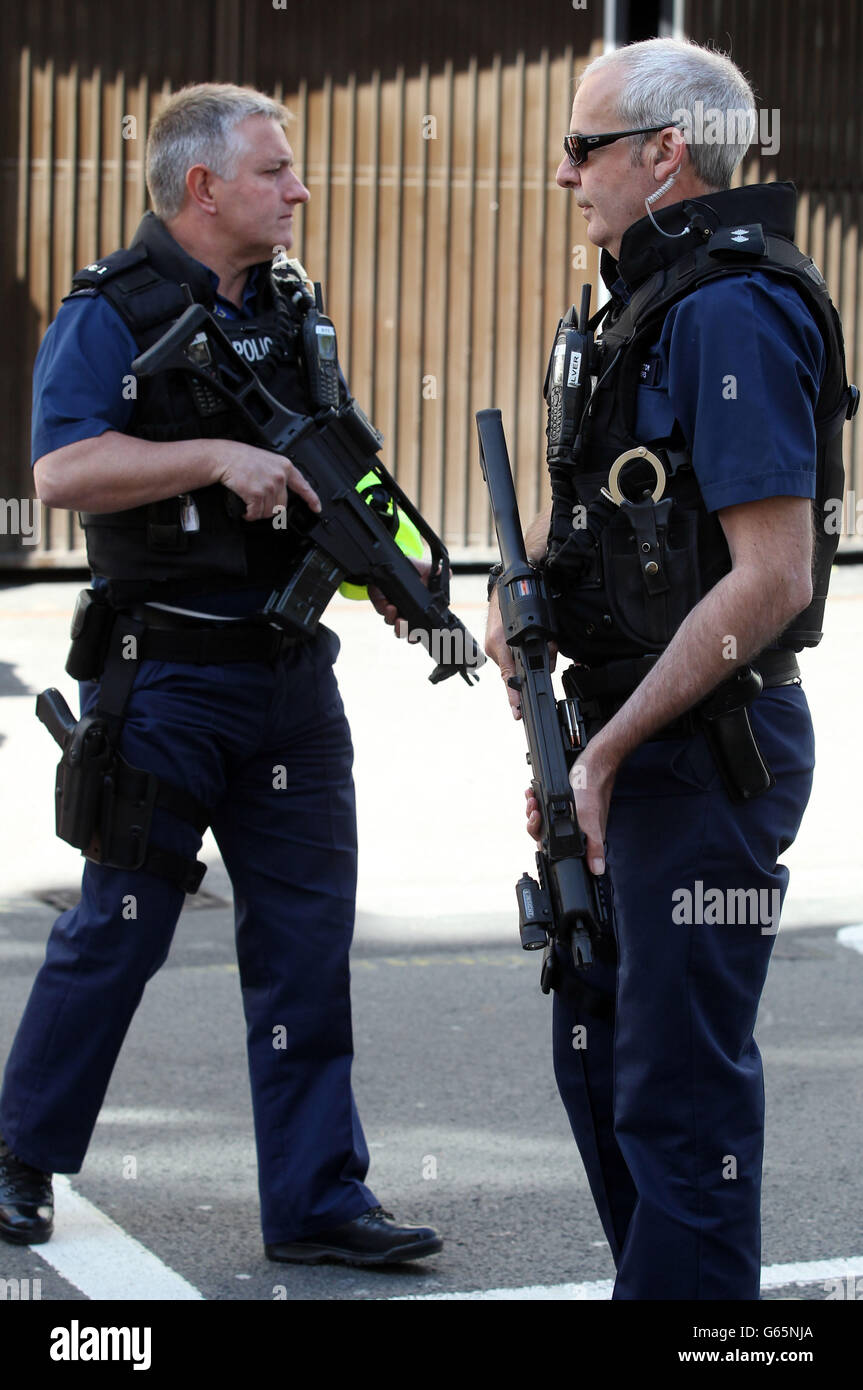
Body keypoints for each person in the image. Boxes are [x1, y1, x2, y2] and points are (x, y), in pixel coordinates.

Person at [0, 83, 442, 1268]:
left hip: (291, 679)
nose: (299, 189)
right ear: (203, 188)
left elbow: (338, 478)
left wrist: (402, 586)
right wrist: (210, 456)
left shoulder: (293, 311)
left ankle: (317, 1200)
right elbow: (60, 469)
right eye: (275, 171)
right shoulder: (109, 310)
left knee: (303, 943)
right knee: (122, 926)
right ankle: (18, 1155)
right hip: (166, 678)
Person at [485, 37, 854, 1299]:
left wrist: (605, 749)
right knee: (599, 1064)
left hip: (699, 756)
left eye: (581, 148)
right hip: (628, 746)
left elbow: (771, 578)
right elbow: (609, 519)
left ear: (664, 153)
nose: (560, 173)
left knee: (677, 1100)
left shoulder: (728, 306)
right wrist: (518, 586)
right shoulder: (641, 299)